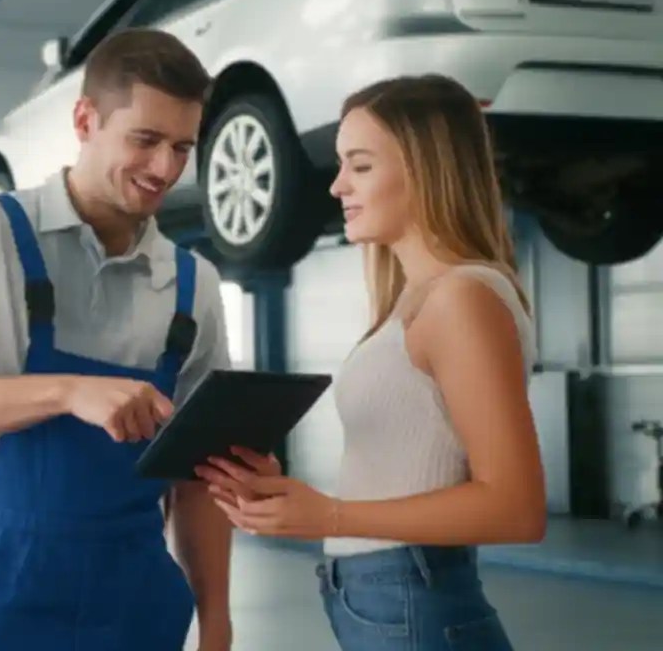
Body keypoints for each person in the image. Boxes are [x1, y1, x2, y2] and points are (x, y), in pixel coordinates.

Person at [0, 28, 235, 650]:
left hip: (134, 607)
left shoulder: (192, 283)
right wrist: (68, 392)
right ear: (85, 119)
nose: (165, 169)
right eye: (145, 141)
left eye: (182, 147)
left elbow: (197, 476)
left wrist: (217, 619)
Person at [196, 74, 547, 651]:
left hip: (412, 597)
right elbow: (409, 464)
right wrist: (291, 497)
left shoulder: (461, 298)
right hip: (382, 597)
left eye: (359, 166)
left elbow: (516, 507)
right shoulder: (413, 299)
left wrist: (330, 516)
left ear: (425, 169)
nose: (336, 187)